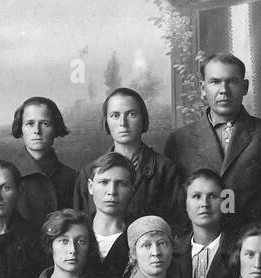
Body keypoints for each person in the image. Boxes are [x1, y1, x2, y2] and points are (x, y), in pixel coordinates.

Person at [162, 52, 261, 233]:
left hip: (253, 248)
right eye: (215, 82)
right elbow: (172, 208)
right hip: (201, 246)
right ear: (203, 88)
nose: (223, 90)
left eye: (232, 81)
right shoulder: (179, 140)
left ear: (245, 87)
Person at [71, 87, 182, 225]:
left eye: (132, 114)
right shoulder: (88, 173)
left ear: (143, 119)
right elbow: (79, 227)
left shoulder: (166, 170)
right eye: (115, 115)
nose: (123, 123)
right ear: (106, 121)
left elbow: (177, 225)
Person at [9, 96, 79, 233]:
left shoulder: (73, 177)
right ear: (21, 129)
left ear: (56, 129)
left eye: (45, 124)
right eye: (30, 124)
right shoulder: (7, 175)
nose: (37, 131)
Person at [170, 169, 235, 278]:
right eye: (196, 196)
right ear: (185, 203)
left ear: (225, 203)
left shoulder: (238, 250)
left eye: (212, 196)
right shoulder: (172, 252)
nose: (204, 204)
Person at [81, 152, 136, 278]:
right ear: (90, 186)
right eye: (104, 182)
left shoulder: (139, 235)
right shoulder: (76, 231)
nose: (112, 191)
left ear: (131, 190)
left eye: (121, 184)